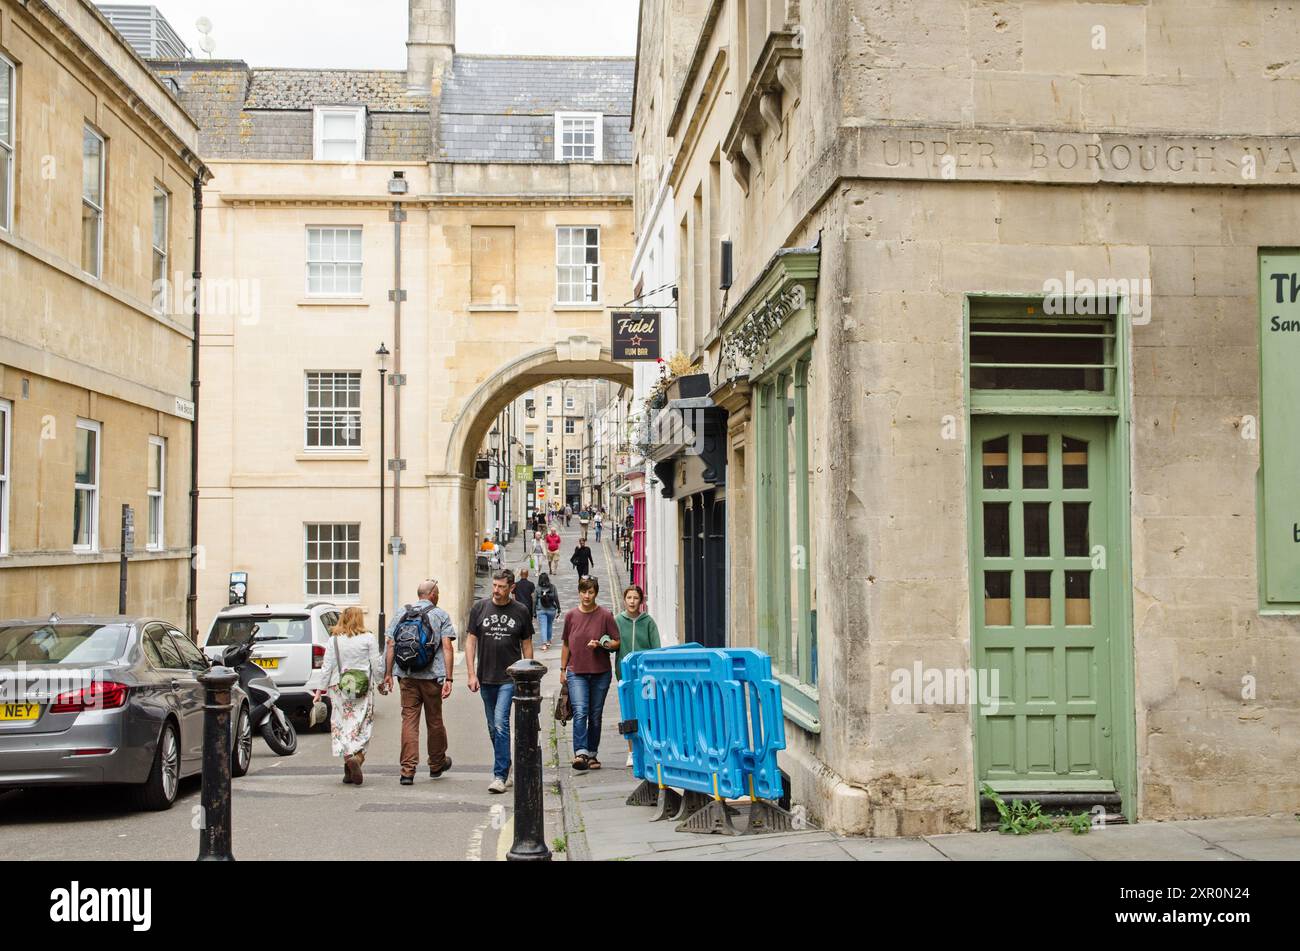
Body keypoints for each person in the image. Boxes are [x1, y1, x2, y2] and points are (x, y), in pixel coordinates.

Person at [465, 570, 535, 793]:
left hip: (509, 677)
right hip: (485, 676)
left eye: (501, 586)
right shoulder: (480, 608)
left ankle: (499, 775)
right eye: (494, 585)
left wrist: (528, 674)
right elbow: (470, 642)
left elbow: (526, 645)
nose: (495, 590)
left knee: (500, 722)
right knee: (493, 728)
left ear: (511, 588)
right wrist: (470, 674)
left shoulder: (521, 611)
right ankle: (507, 764)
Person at [382, 580, 456, 786]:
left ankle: (407, 770)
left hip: (406, 676)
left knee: (409, 721)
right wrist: (449, 677)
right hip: (432, 677)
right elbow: (447, 647)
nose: (439, 595)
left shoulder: (401, 613)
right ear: (432, 594)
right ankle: (436, 763)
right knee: (434, 720)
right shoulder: (440, 615)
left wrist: (388, 673)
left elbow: (390, 643)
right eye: (438, 592)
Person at [310, 606, 384, 785]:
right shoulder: (368, 638)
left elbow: (326, 666)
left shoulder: (334, 639)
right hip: (362, 686)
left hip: (339, 686)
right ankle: (357, 759)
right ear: (360, 619)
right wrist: (381, 682)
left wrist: (320, 690)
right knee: (362, 724)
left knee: (341, 725)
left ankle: (347, 764)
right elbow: (376, 663)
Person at [560, 577, 619, 770]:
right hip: (576, 671)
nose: (587, 595)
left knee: (595, 715)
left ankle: (592, 754)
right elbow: (566, 644)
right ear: (579, 592)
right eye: (584, 591)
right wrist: (562, 670)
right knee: (580, 711)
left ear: (596, 593)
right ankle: (581, 753)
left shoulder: (605, 615)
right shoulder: (571, 616)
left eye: (591, 592)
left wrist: (603, 644)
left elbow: (617, 641)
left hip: (600, 672)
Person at [615, 585, 661, 767]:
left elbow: (656, 648)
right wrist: (603, 641)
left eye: (636, 598)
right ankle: (632, 752)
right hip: (625, 676)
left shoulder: (648, 622)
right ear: (624, 600)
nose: (632, 601)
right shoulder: (618, 620)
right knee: (629, 714)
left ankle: (649, 749)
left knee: (648, 712)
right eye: (629, 598)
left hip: (646, 677)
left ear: (641, 601)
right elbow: (608, 637)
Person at [535, 572, 561, 652]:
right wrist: (559, 608)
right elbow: (556, 598)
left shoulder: (537, 588)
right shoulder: (553, 587)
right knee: (549, 624)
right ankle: (549, 641)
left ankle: (544, 644)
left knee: (543, 626)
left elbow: (534, 600)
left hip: (541, 609)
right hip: (551, 610)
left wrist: (533, 612)